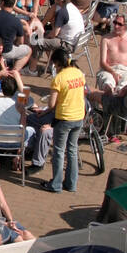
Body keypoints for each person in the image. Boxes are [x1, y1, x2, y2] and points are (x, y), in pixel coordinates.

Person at [45, 45, 86, 194]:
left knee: (59, 152)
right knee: (72, 150)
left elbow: (51, 104)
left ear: (57, 63)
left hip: (64, 118)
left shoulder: (59, 78)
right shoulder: (79, 73)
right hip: (79, 116)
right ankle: (71, 183)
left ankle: (56, 184)